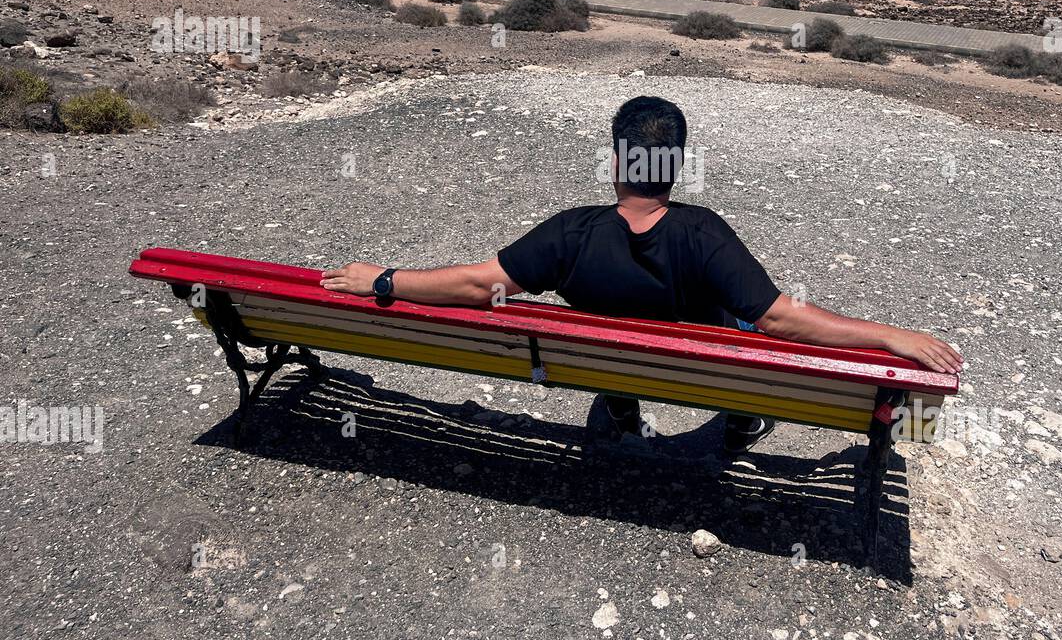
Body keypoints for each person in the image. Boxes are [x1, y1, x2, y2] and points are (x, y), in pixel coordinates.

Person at [322, 95, 962, 454]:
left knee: (608, 321)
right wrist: (890, 336)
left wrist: (385, 279)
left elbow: (471, 284)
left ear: (617, 161)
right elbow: (781, 319)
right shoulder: (703, 232)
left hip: (600, 359)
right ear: (676, 164)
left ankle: (623, 404)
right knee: (740, 316)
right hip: (703, 366)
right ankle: (742, 415)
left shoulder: (569, 233)